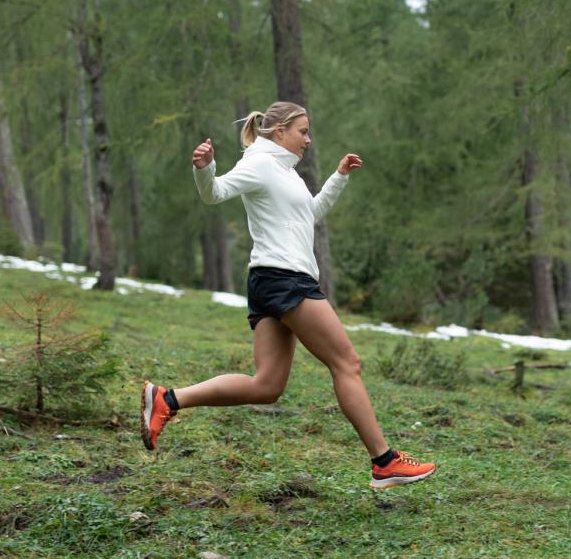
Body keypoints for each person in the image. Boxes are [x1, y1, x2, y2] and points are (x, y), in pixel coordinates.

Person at [141, 101, 436, 489]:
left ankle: (167, 399)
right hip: (285, 279)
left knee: (267, 386)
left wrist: (339, 177)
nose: (308, 139)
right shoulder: (260, 162)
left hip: (272, 279)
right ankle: (384, 462)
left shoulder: (285, 172)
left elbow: (308, 216)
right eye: (302, 131)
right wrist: (204, 168)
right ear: (279, 131)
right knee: (347, 362)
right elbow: (214, 193)